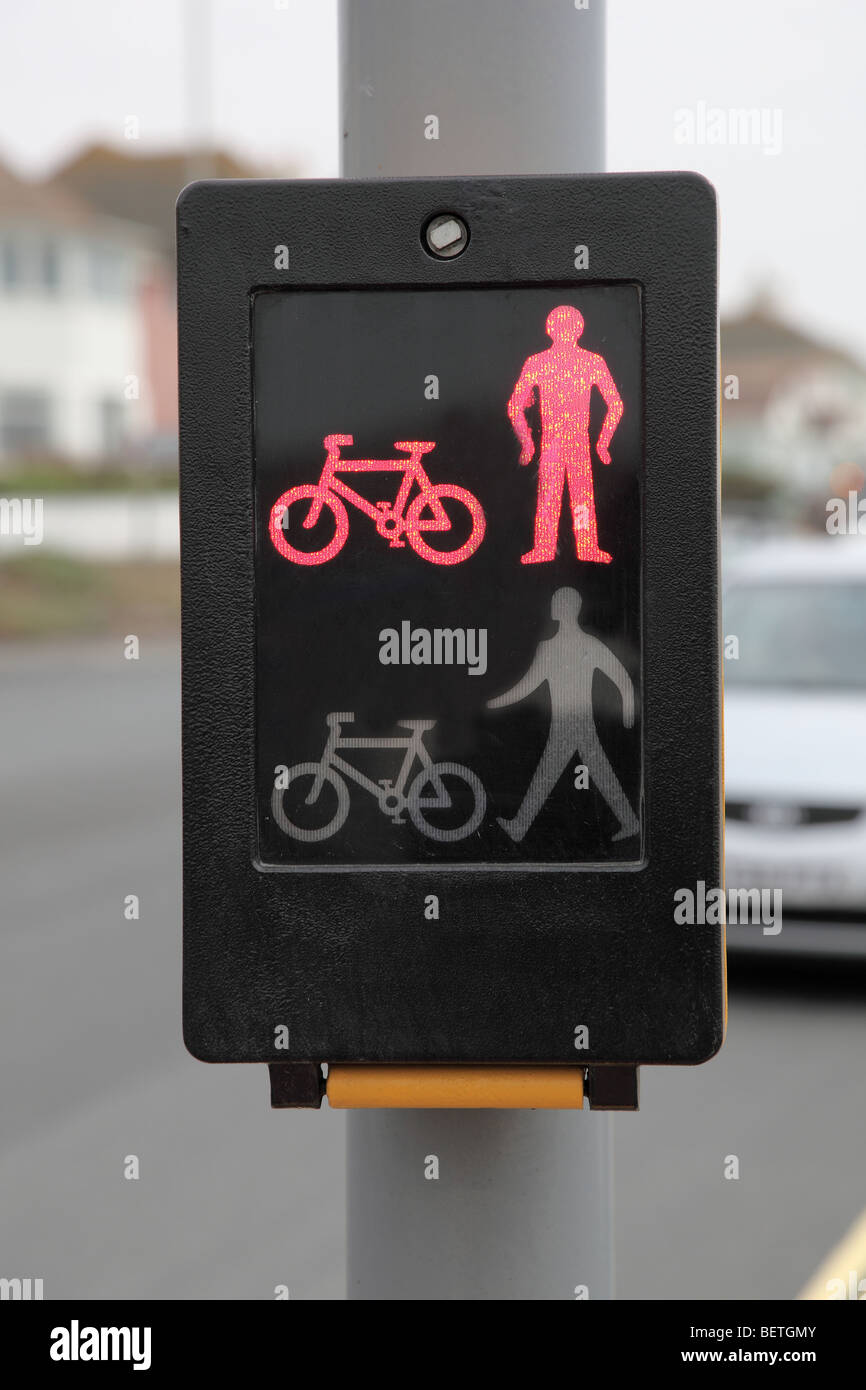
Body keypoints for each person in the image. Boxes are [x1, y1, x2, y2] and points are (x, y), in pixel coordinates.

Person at [488, 587, 639, 843]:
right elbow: (527, 685)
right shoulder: (555, 647)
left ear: (568, 609)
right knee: (591, 773)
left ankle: (520, 827)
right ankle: (629, 821)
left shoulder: (584, 645)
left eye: (558, 603)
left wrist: (628, 709)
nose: (553, 608)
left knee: (550, 775)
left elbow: (621, 677)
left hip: (574, 722)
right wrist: (496, 702)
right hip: (567, 723)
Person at [507, 305, 623, 564]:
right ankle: (563, 548)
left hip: (562, 443)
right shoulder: (585, 361)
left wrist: (527, 443)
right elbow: (514, 406)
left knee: (566, 498)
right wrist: (602, 443)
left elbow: (515, 407)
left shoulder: (546, 362)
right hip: (561, 443)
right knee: (565, 498)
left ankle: (575, 548)